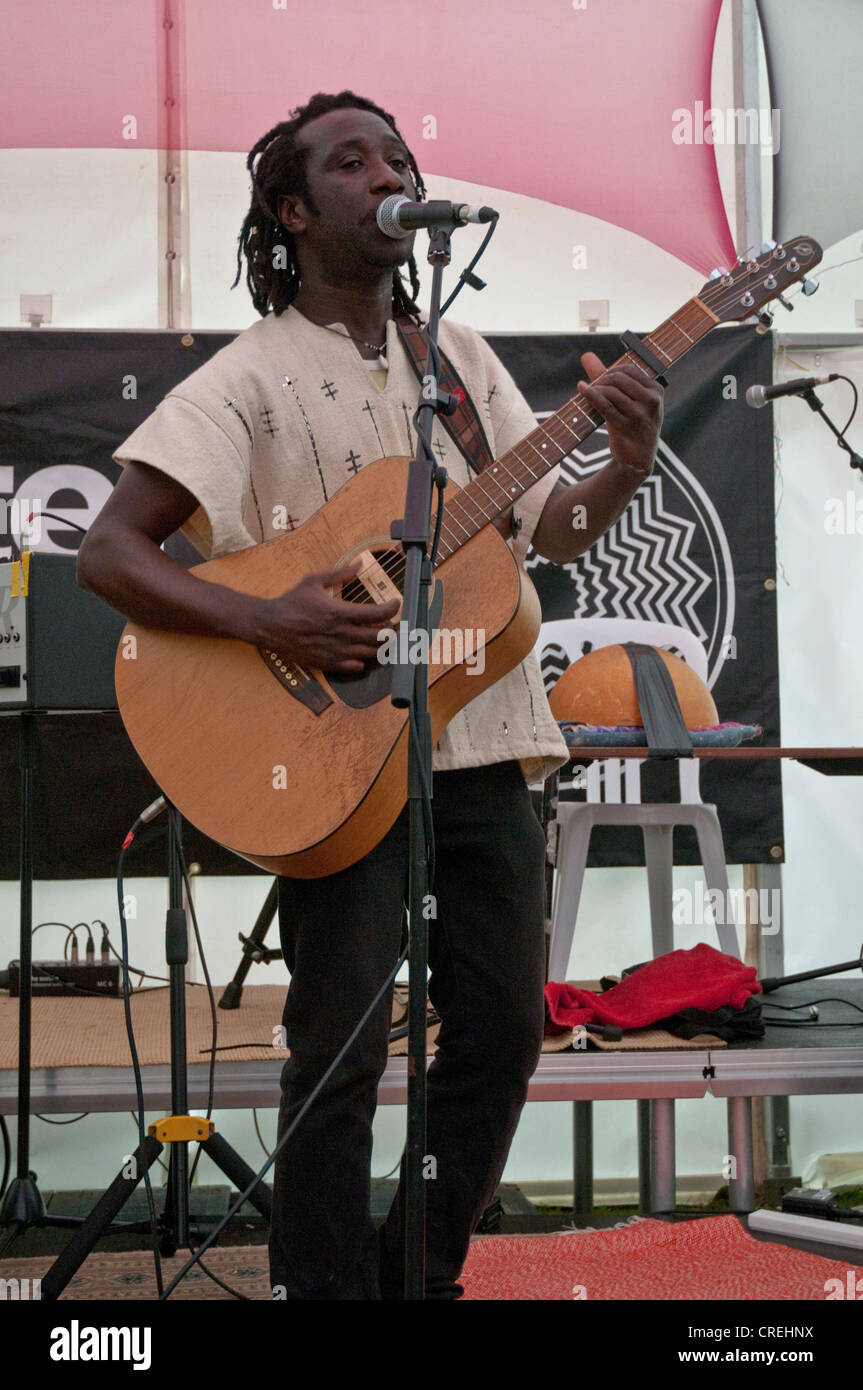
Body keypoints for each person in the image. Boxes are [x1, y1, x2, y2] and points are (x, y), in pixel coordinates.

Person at [77, 90, 663, 1299]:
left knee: (501, 1029)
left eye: (397, 153)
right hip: (335, 760)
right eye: (352, 161)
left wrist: (632, 455)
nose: (388, 170)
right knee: (338, 1048)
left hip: (486, 740)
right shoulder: (243, 378)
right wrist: (268, 614)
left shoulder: (454, 357)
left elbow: (549, 522)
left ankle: (421, 1272)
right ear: (292, 211)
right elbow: (109, 553)